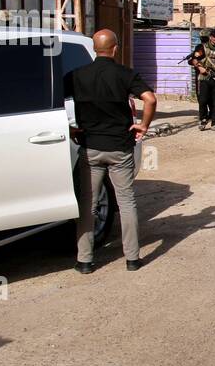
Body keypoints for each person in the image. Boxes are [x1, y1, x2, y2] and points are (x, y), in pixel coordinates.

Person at [67, 29, 156, 273]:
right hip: (120, 148)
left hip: (90, 147)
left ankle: (84, 260)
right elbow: (150, 99)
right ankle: (132, 259)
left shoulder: (77, 75)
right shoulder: (125, 74)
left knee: (88, 204)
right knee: (126, 201)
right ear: (115, 48)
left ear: (95, 48)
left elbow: (50, 102)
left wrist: (70, 128)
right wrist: (143, 125)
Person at [191, 29, 215, 131]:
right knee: (203, 100)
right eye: (214, 36)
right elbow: (194, 59)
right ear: (210, 37)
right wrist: (199, 67)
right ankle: (203, 119)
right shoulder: (202, 47)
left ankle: (214, 123)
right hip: (205, 77)